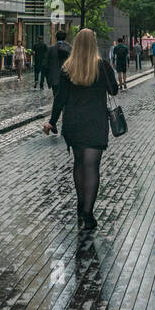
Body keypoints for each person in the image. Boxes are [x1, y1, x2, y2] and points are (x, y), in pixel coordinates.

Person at [43, 27, 119, 231]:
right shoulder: (102, 66)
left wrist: (52, 121)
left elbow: (60, 98)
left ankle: (80, 206)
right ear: (94, 44)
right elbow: (114, 90)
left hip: (73, 122)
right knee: (92, 167)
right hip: (95, 122)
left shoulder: (68, 68)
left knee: (78, 165)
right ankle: (88, 213)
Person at [46, 33, 73, 119]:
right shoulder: (70, 48)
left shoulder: (50, 49)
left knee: (57, 98)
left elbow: (45, 65)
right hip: (67, 77)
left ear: (55, 37)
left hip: (54, 79)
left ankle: (55, 118)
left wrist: (48, 78)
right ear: (65, 38)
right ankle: (65, 115)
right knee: (67, 98)